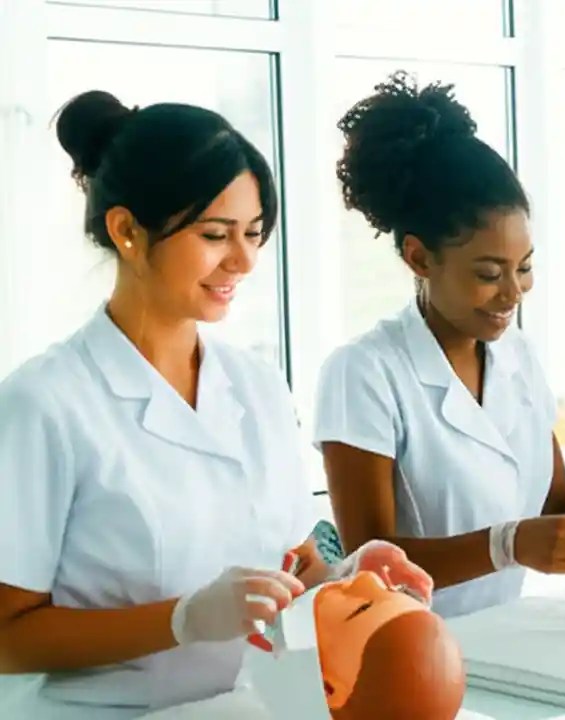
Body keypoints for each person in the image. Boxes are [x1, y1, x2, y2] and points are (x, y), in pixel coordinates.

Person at [0, 91, 426, 719]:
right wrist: (182, 620)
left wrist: (345, 577)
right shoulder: (45, 403)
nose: (244, 260)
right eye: (214, 234)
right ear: (125, 230)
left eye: (253, 234)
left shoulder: (257, 386)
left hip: (243, 707)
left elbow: (291, 563)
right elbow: (8, 636)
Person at [315, 71, 565, 620]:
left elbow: (557, 510)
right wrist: (505, 545)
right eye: (489, 273)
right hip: (403, 647)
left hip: (499, 638)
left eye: (525, 268)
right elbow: (368, 562)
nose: (513, 293)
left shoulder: (517, 356)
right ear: (418, 258)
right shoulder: (363, 373)